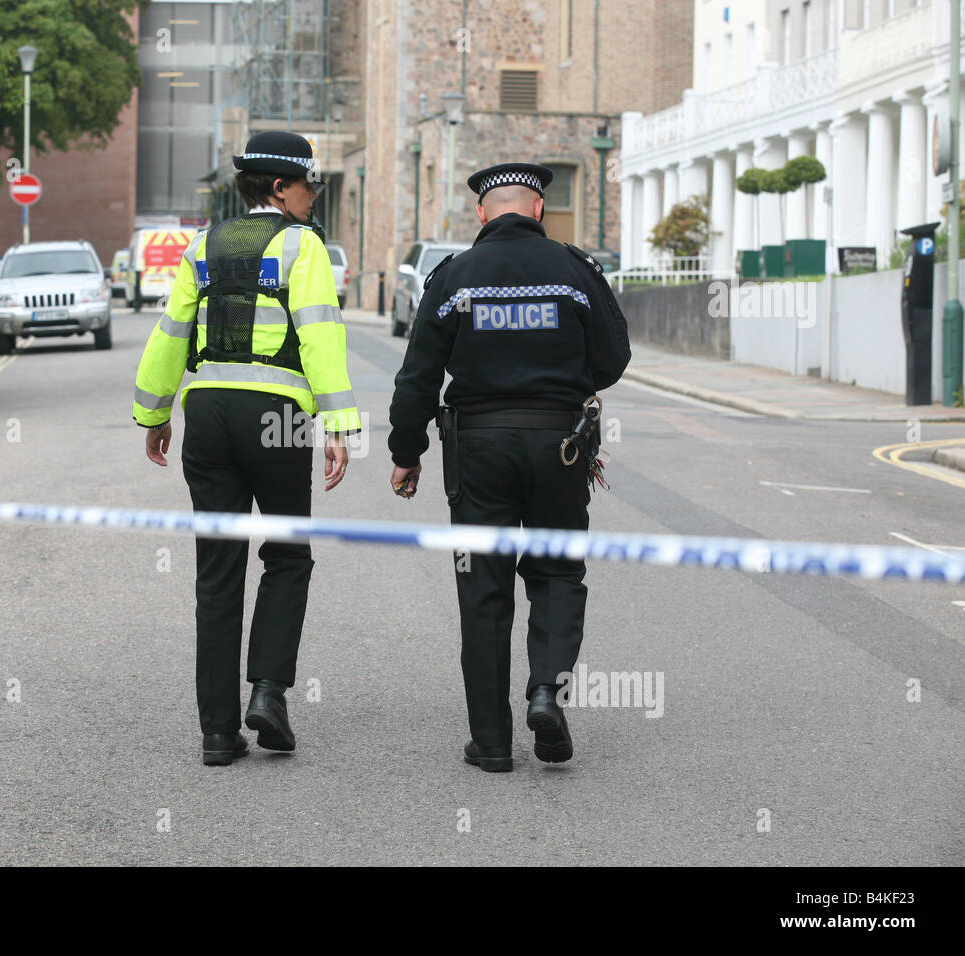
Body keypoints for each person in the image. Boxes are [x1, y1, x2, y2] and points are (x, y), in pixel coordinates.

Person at [387, 162, 630, 772]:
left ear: (482, 213)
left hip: (478, 449)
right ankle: (547, 690)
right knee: (555, 571)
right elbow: (613, 357)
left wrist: (405, 452)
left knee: (483, 590)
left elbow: (418, 375)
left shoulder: (454, 275)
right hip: (560, 444)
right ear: (539, 210)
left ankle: (492, 744)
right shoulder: (577, 271)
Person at [132, 131, 360, 766]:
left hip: (206, 415)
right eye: (309, 185)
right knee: (287, 555)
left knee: (218, 570)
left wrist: (155, 412)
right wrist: (339, 425)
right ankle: (268, 691)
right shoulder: (300, 245)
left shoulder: (204, 244)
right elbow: (319, 335)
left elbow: (172, 331)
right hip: (275, 417)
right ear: (280, 188)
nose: (314, 196)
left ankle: (217, 732)